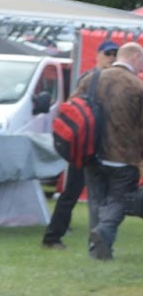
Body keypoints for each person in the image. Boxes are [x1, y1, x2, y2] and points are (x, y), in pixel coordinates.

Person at [43, 39, 119, 250]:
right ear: (98, 55)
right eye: (108, 54)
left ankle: (98, 237)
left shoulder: (111, 80)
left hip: (100, 144)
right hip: (84, 144)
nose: (111, 58)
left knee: (97, 194)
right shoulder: (89, 79)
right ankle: (52, 237)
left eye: (115, 54)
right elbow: (73, 109)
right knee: (72, 192)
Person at [84, 41, 143, 260]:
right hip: (124, 156)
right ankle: (103, 232)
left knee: (97, 202)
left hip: (92, 152)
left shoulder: (92, 79)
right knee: (119, 200)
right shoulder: (137, 86)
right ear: (135, 58)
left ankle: (97, 250)